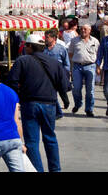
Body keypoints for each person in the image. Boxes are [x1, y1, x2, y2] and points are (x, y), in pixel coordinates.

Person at [4, 34, 66, 172]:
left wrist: (19, 97)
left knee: (32, 142)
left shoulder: (22, 61)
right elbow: (64, 84)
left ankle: (37, 170)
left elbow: (11, 82)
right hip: (49, 104)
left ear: (30, 46)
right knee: (50, 138)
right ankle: (55, 169)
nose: (25, 47)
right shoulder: (54, 62)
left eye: (26, 45)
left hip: (29, 104)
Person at [68, 24, 99, 116]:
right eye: (81, 29)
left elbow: (99, 54)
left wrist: (98, 67)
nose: (83, 30)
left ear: (90, 30)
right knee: (76, 88)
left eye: (85, 29)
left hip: (90, 66)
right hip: (77, 66)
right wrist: (76, 59)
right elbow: (70, 53)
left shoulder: (95, 41)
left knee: (90, 90)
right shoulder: (74, 41)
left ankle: (89, 109)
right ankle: (78, 104)